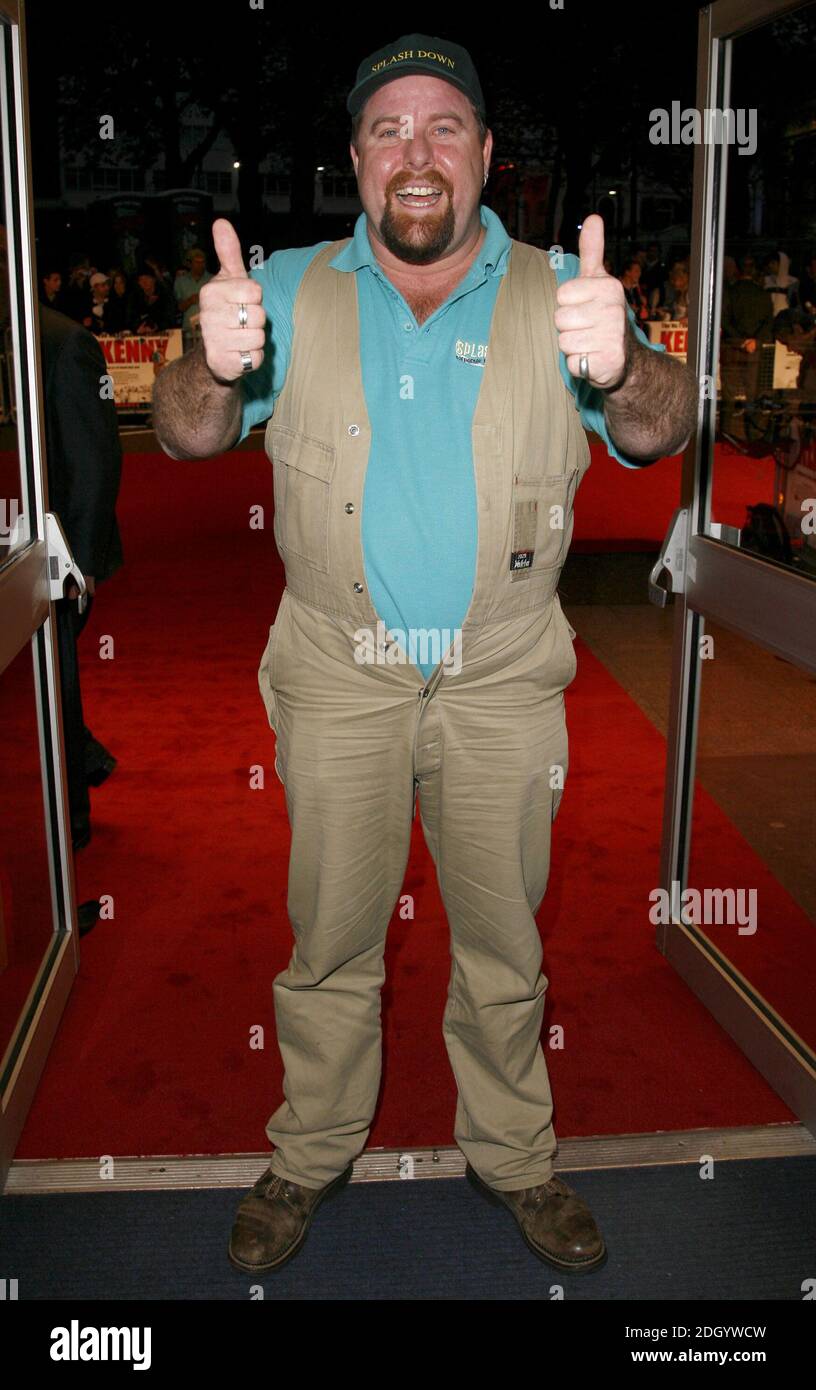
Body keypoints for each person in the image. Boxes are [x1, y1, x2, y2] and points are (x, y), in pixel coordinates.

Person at [152, 32, 698, 1278]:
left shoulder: (563, 288)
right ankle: (312, 1145)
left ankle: (515, 1157)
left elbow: (658, 429)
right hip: (339, 674)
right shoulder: (287, 285)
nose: (416, 152)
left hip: (504, 678)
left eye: (444, 126)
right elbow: (187, 435)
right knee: (329, 937)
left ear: (486, 156)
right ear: (356, 157)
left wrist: (625, 360)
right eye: (389, 128)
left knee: (506, 942)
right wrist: (205, 355)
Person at [38, 304, 124, 852]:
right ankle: (86, 759)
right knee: (44, 685)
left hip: (58, 558)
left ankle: (70, 826)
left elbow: (96, 459)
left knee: (55, 686)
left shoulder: (64, 343)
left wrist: (79, 563)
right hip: (29, 545)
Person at [720, 253, 775, 440]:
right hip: (754, 350)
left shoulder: (730, 293)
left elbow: (724, 320)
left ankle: (726, 433)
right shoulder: (763, 295)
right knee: (752, 394)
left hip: (732, 348)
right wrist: (754, 341)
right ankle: (752, 435)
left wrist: (740, 340)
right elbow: (769, 323)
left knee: (729, 394)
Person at [174, 246, 212, 350]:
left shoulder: (213, 280)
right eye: (197, 262)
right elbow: (178, 308)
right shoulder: (180, 281)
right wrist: (190, 301)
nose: (200, 265)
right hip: (189, 333)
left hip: (209, 333)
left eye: (202, 262)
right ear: (190, 263)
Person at [127, 264, 176, 333]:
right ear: (138, 283)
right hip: (141, 334)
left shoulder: (165, 295)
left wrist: (157, 326)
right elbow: (130, 319)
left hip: (163, 334)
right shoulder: (134, 297)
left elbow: (170, 318)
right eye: (141, 279)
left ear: (154, 279)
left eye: (147, 278)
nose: (144, 282)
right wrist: (137, 328)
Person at [619, 256, 649, 322]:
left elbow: (644, 314)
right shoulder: (617, 288)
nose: (639, 274)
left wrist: (643, 306)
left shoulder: (637, 289)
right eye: (636, 271)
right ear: (627, 272)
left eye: (640, 271)